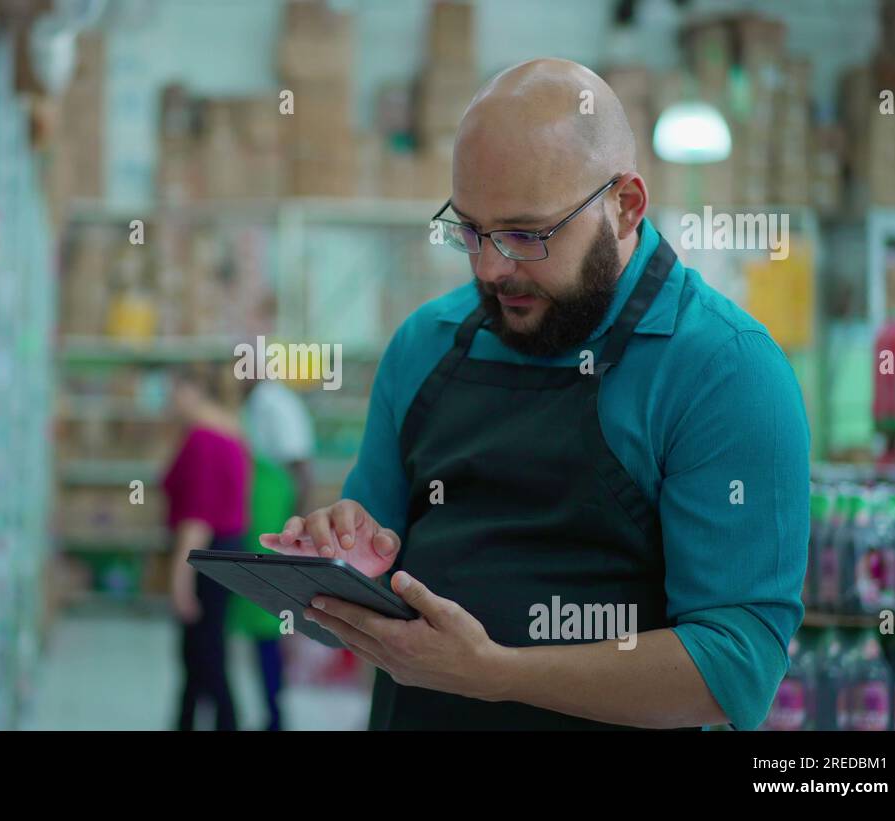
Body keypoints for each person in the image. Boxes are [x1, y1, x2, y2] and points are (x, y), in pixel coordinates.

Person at [260, 58, 810, 730]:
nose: (492, 267)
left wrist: (496, 674)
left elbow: (736, 666)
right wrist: (337, 556)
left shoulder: (723, 371)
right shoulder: (425, 346)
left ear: (625, 205)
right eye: (470, 230)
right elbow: (365, 580)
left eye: (527, 234)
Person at [162, 363, 250, 731]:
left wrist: (179, 581)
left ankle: (226, 723)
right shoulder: (233, 434)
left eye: (174, 392)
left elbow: (197, 519)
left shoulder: (203, 439)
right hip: (226, 553)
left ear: (194, 392)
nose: (169, 401)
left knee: (204, 656)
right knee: (206, 654)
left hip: (204, 558)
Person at [231, 377, 317, 730]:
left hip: (271, 525)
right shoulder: (254, 404)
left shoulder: (275, 404)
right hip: (255, 524)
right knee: (259, 627)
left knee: (269, 625)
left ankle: (275, 716)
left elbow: (301, 471)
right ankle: (269, 711)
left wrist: (294, 532)